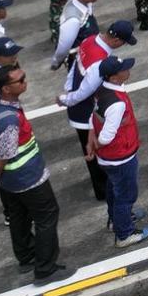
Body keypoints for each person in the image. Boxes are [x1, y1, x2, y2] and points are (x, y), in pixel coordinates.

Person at [0, 66, 65, 282]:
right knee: (47, 215)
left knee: (19, 217)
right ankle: (46, 268)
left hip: (9, 181)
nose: (25, 82)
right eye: (20, 80)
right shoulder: (9, 119)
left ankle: (27, 256)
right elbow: (6, 151)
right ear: (6, 89)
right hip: (27, 177)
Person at [57, 17, 136, 203]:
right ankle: (105, 193)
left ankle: (105, 191)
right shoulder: (99, 62)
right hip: (87, 114)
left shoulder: (89, 40)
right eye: (124, 42)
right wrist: (66, 100)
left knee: (92, 153)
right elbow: (85, 91)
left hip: (80, 110)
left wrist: (67, 93)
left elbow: (73, 68)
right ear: (117, 40)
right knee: (96, 156)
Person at [87, 55, 148, 247]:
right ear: (114, 77)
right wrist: (99, 142)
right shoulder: (117, 103)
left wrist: (94, 142)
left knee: (113, 190)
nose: (128, 70)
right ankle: (125, 234)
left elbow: (95, 118)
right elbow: (107, 136)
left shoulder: (103, 90)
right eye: (123, 68)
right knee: (126, 195)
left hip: (108, 158)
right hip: (120, 157)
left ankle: (115, 220)